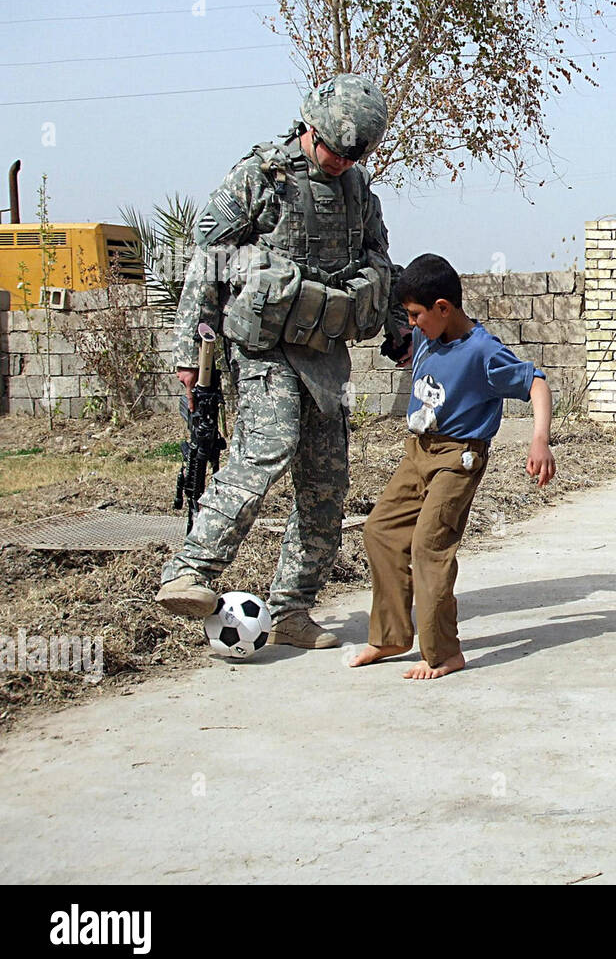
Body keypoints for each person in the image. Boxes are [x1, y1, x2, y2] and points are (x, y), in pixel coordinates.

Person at [156, 73, 410, 650]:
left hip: (325, 355)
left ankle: (293, 607)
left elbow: (381, 262)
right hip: (263, 349)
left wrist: (398, 331)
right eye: (335, 150)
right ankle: (190, 571)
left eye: (355, 155)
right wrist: (190, 352)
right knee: (267, 448)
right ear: (310, 127)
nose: (342, 163)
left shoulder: (358, 193)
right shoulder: (260, 179)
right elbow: (207, 261)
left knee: (326, 483)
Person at [349, 254, 556, 679]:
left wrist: (539, 440)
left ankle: (443, 653)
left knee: (429, 545)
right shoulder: (428, 335)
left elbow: (536, 383)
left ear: (443, 308)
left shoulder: (483, 351)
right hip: (418, 451)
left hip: (458, 458)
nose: (412, 324)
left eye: (415, 315)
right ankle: (391, 634)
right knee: (381, 531)